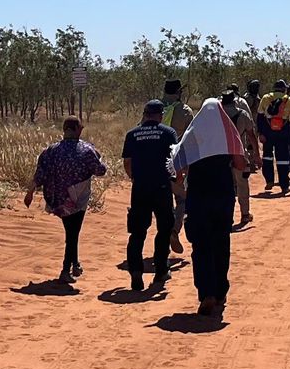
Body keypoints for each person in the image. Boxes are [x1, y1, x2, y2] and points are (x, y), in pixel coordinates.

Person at [171, 96, 250, 320]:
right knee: (221, 242)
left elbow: (178, 164)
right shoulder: (228, 134)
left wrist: (182, 178)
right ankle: (220, 291)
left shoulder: (193, 134)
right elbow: (240, 163)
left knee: (201, 245)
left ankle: (205, 292)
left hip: (198, 196)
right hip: (223, 195)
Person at [23, 116, 106, 283]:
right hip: (76, 198)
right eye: (80, 127)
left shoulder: (50, 151)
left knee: (71, 232)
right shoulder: (86, 150)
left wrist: (30, 192)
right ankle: (65, 270)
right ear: (76, 129)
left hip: (57, 198)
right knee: (73, 233)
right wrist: (99, 158)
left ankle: (75, 264)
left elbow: (40, 174)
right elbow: (100, 171)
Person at [121, 99, 182, 293]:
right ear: (160, 115)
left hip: (140, 188)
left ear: (145, 114)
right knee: (164, 229)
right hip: (162, 187)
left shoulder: (132, 134)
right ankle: (161, 270)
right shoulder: (168, 133)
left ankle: (136, 271)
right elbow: (174, 158)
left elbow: (127, 162)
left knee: (138, 232)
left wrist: (135, 178)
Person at [162, 79, 195, 256]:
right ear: (178, 92)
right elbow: (190, 139)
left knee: (162, 203)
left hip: (155, 162)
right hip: (176, 160)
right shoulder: (185, 111)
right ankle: (174, 230)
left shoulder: (154, 108)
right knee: (181, 199)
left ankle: (163, 239)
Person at [225, 85, 260, 226]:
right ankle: (245, 214)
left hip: (222, 155)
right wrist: (257, 155)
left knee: (226, 186)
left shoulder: (218, 115)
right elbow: (252, 135)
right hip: (239, 153)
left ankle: (227, 216)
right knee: (242, 184)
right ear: (234, 100)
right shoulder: (243, 114)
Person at [260, 79, 290, 194]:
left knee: (267, 157)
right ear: (285, 89)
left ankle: (269, 180)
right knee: (283, 159)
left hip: (268, 131)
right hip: (284, 132)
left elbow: (260, 117)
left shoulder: (265, 98)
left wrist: (261, 133)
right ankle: (284, 186)